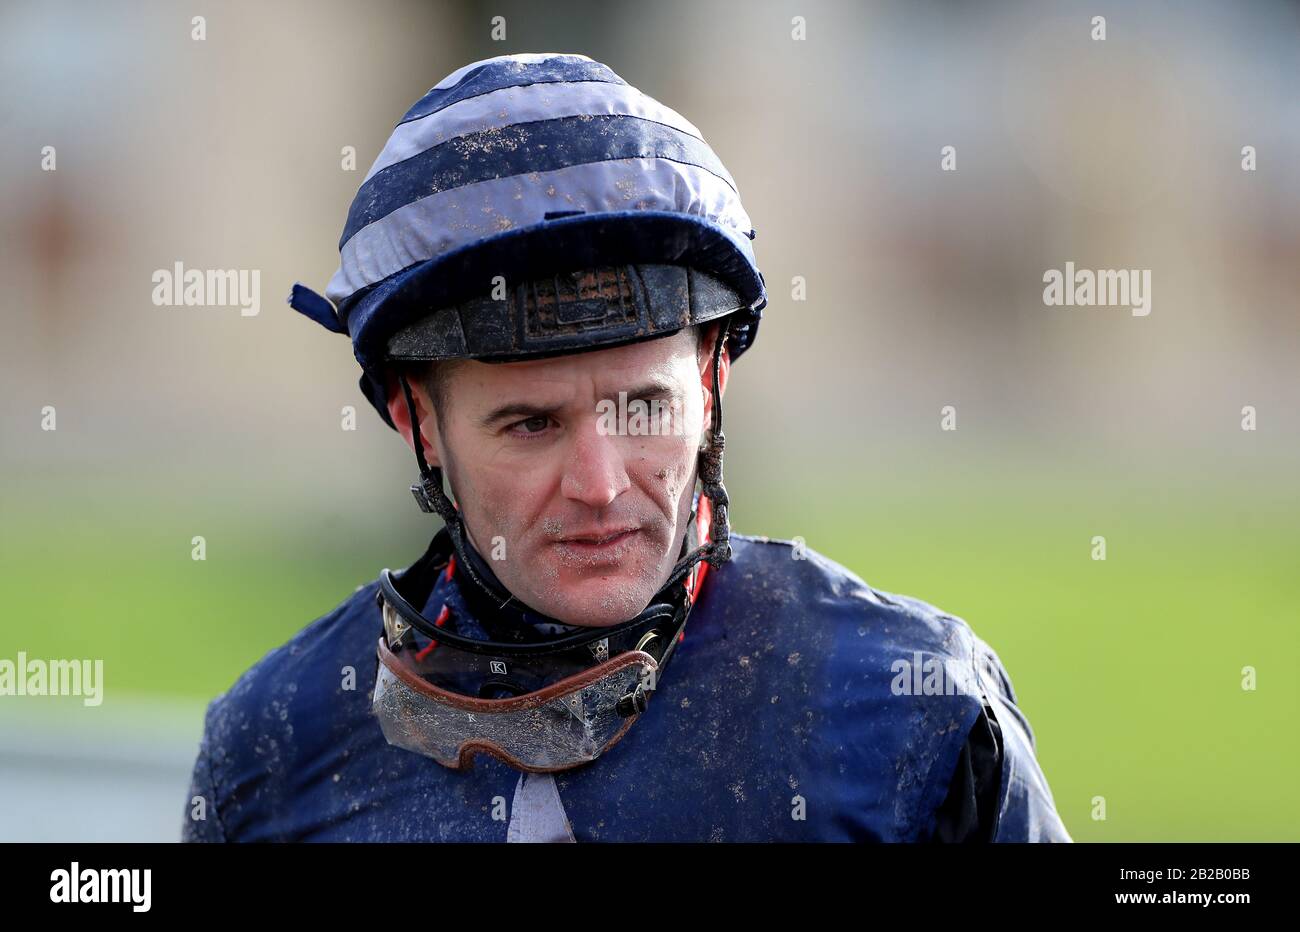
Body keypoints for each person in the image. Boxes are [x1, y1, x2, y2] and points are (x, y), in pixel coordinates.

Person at [181, 52, 1070, 842]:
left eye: (644, 408)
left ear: (712, 385)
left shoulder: (919, 719)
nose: (600, 487)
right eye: (531, 425)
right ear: (419, 424)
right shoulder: (267, 759)